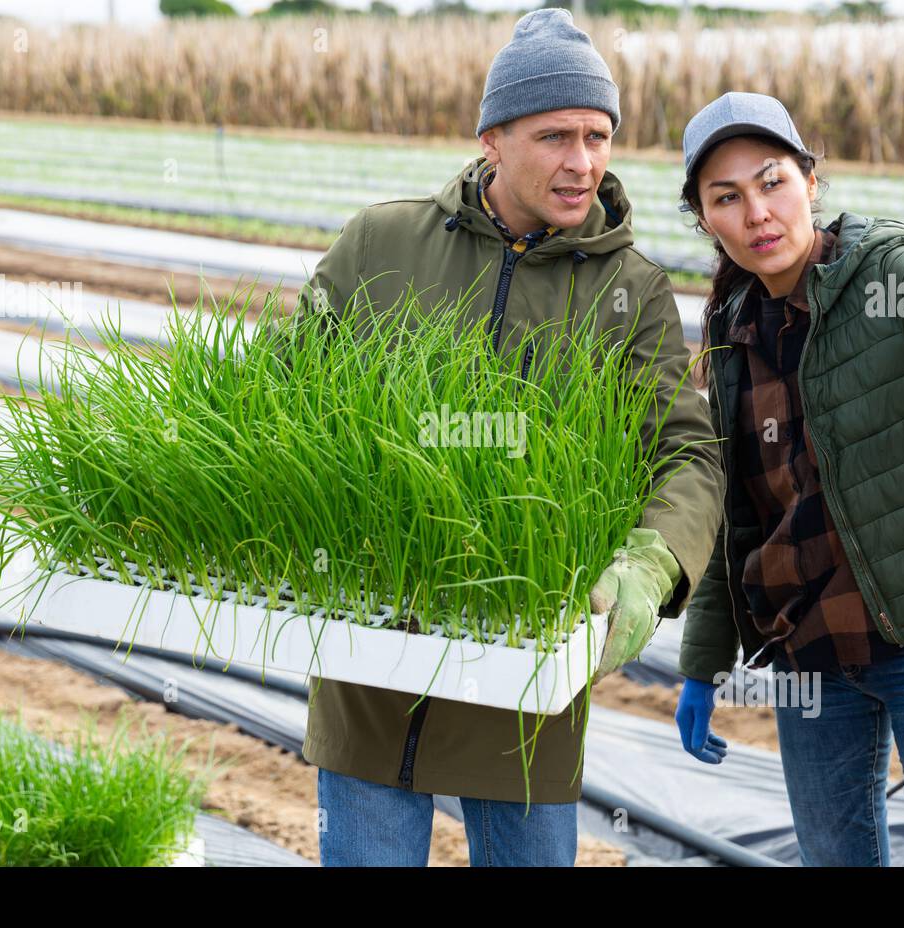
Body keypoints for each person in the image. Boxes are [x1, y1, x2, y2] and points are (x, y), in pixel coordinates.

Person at [296, 9, 725, 867]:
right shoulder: (381, 242)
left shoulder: (629, 290)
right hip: (372, 665)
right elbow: (279, 398)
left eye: (598, 136)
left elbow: (688, 450)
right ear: (492, 139)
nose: (583, 161)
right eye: (555, 135)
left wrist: (650, 565)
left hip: (528, 674)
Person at [673, 92, 904, 866]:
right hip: (808, 655)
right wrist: (704, 665)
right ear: (705, 220)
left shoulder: (885, 271)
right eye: (727, 198)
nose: (757, 213)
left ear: (811, 180)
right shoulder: (731, 327)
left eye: (772, 182)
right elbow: (732, 514)